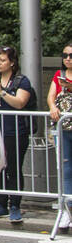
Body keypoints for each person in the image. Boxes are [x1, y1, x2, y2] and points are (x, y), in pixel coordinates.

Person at [0, 45, 36, 224]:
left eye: (3, 60)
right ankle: (0, 203)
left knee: (13, 168)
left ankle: (15, 205)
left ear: (12, 63)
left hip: (16, 131)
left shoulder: (22, 81)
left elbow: (20, 102)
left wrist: (1, 91)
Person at [47, 41, 72, 231]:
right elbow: (51, 95)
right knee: (64, 168)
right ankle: (65, 209)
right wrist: (52, 106)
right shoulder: (59, 75)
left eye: (71, 56)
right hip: (62, 126)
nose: (68, 59)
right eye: (65, 56)